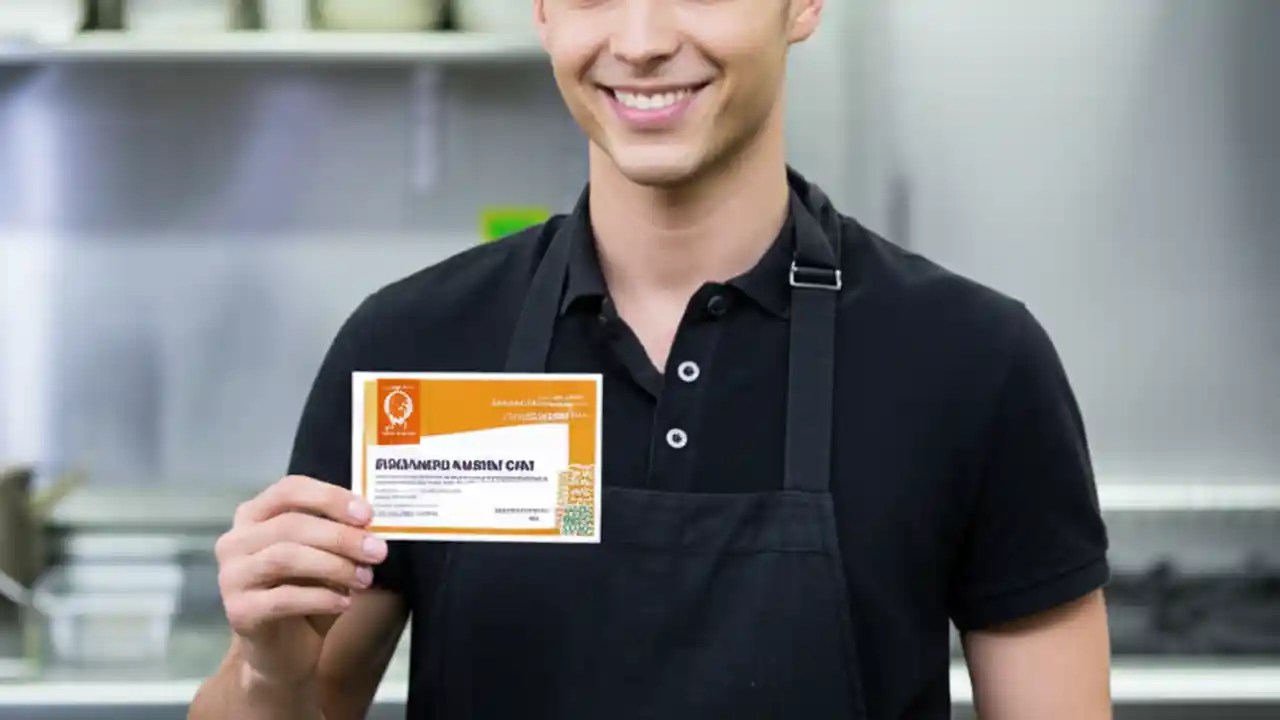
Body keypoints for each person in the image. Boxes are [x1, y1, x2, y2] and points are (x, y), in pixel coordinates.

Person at [190, 1, 1112, 717]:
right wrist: (268, 671)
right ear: (544, 11)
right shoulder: (413, 349)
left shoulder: (975, 363)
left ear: (802, 5)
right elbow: (303, 698)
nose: (638, 41)